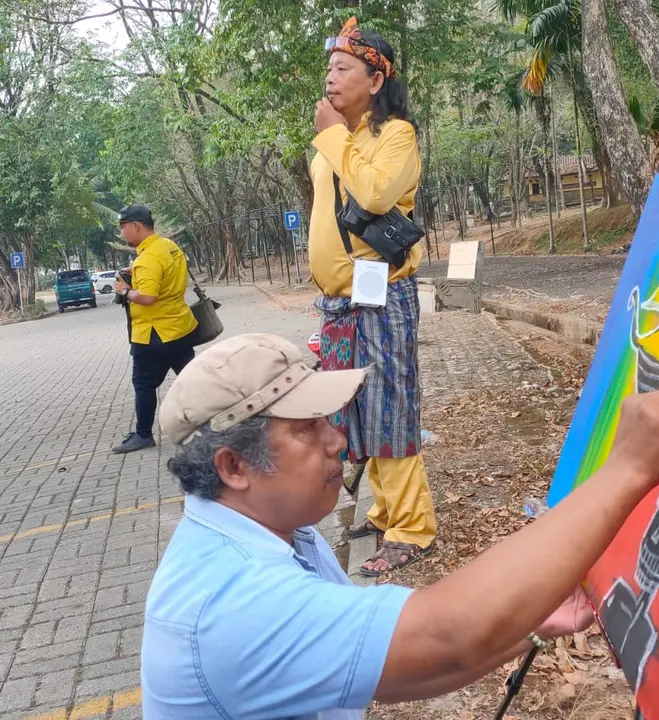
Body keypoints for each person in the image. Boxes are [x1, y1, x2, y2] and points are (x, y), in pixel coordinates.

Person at [141, 333, 659, 718]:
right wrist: (628, 467)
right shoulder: (232, 603)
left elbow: (397, 673)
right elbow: (447, 637)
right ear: (234, 467)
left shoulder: (276, 533)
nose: (338, 440)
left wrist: (531, 626)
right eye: (307, 429)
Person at [309, 17, 435, 575]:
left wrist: (334, 137)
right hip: (341, 304)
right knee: (360, 411)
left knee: (390, 408)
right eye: (330, 69)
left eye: (343, 69)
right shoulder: (337, 141)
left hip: (383, 298)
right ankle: (385, 509)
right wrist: (336, 139)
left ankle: (412, 528)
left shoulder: (396, 135)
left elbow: (377, 194)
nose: (331, 79)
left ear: (376, 80)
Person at [110, 204, 198, 454]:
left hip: (153, 334)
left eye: (123, 227)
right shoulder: (169, 246)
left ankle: (143, 435)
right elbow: (164, 276)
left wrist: (125, 291)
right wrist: (135, 273)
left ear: (136, 226)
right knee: (192, 379)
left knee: (143, 385)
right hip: (180, 327)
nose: (122, 233)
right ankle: (214, 422)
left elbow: (147, 297)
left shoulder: (147, 258)